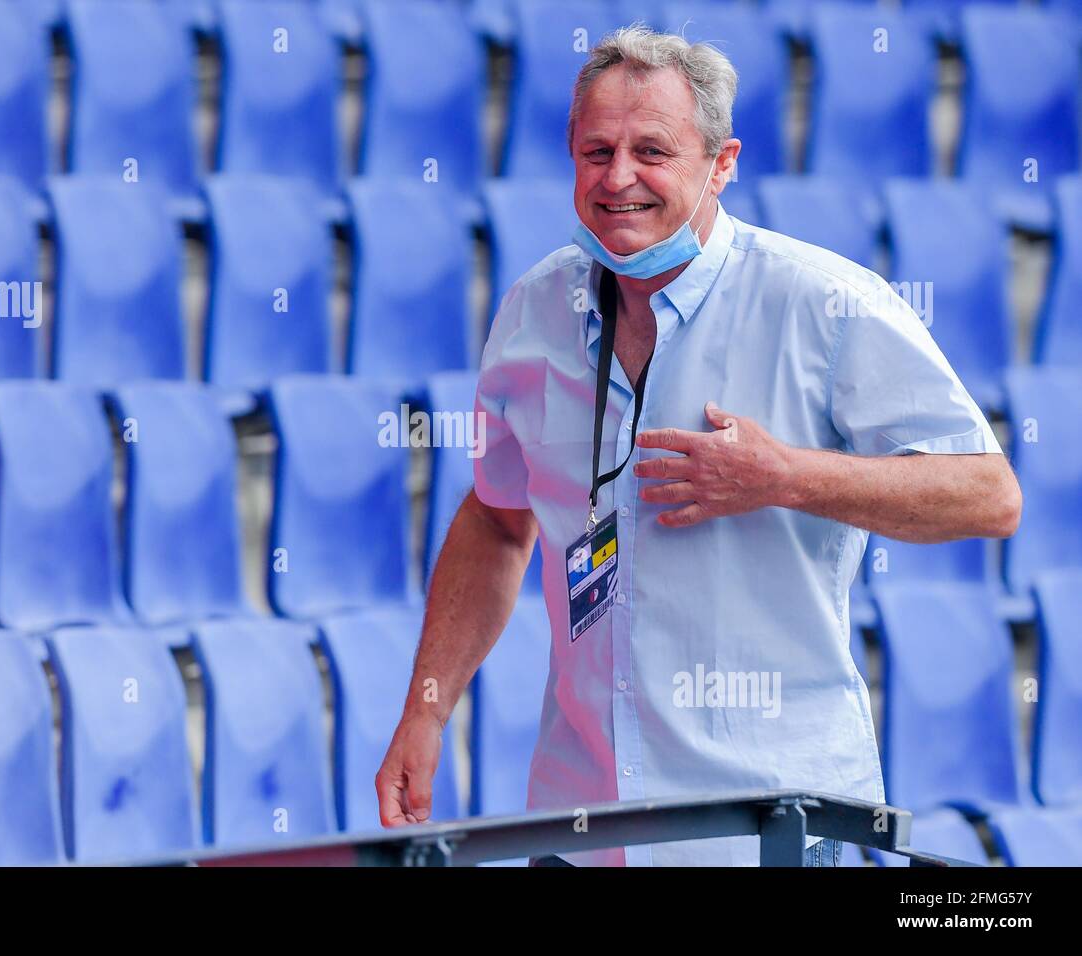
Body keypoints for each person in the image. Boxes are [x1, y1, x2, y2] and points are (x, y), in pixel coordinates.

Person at [375, 25, 1021, 866]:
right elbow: (498, 521)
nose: (619, 179)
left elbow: (990, 494)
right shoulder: (534, 312)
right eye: (596, 151)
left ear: (722, 163)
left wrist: (785, 475)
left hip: (767, 830)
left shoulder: (821, 304)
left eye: (653, 150)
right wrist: (425, 711)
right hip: (584, 826)